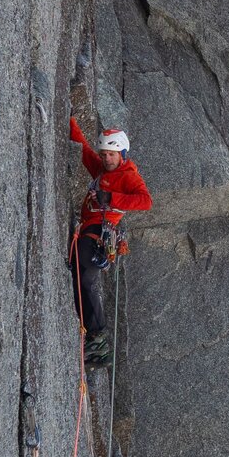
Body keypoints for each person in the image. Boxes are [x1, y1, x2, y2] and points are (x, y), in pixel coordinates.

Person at [68, 118, 152, 365]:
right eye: (104, 154)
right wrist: (70, 121)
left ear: (122, 154)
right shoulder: (103, 170)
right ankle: (95, 340)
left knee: (84, 268)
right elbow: (85, 150)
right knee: (81, 277)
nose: (107, 159)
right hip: (90, 227)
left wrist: (110, 197)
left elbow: (145, 201)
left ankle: (98, 339)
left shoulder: (128, 176)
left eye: (112, 154)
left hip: (100, 229)